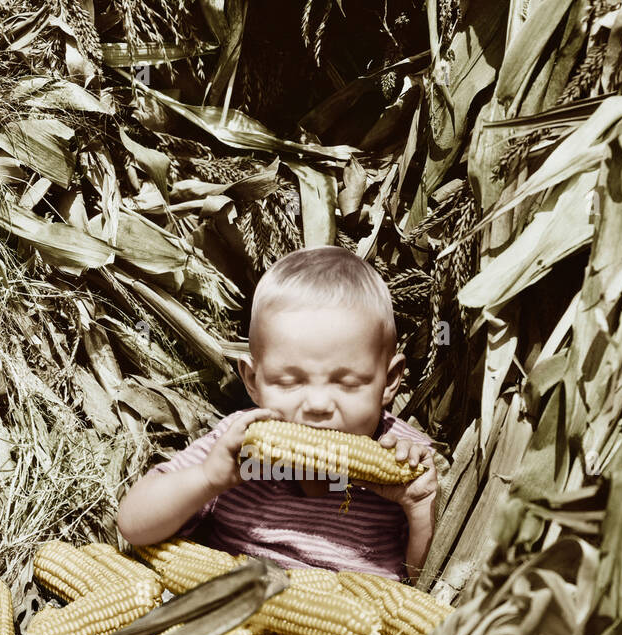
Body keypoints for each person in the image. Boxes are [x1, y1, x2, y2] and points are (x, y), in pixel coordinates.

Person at [116, 246, 438, 583]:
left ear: (389, 381)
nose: (317, 404)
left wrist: (419, 508)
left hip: (351, 626)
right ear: (253, 381)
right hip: (234, 616)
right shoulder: (236, 446)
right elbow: (134, 526)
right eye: (290, 381)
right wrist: (207, 479)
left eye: (346, 383)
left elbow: (425, 581)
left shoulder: (408, 462)